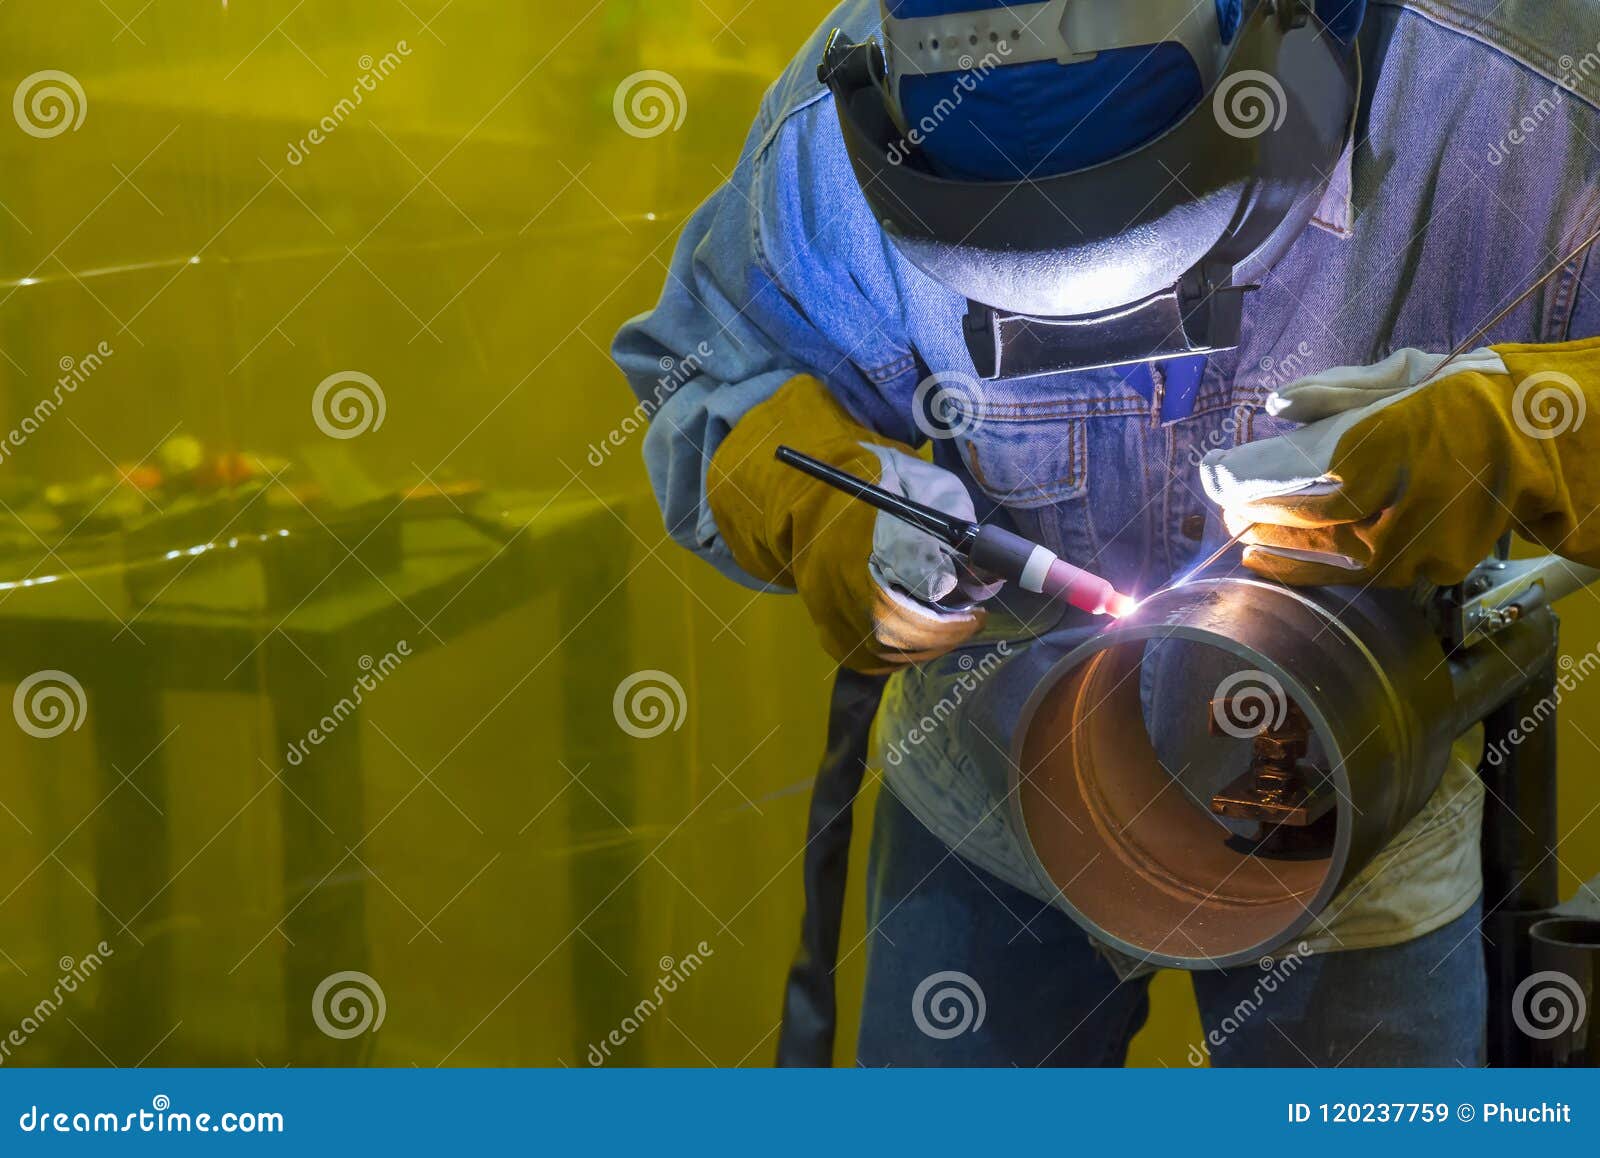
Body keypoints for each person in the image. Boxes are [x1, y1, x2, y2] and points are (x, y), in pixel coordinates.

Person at [614, 0, 1600, 1066]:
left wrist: (1521, 430)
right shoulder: (844, 127)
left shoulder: (1514, 89)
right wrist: (813, 504)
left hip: (1354, 821)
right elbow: (704, 373)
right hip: (987, 802)